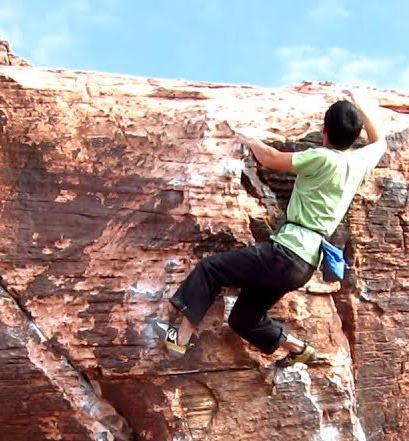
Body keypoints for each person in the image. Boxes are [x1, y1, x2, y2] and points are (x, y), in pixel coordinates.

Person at [161, 92, 387, 367]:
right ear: (354, 135)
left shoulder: (322, 158)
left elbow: (272, 159)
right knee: (244, 318)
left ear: (324, 129)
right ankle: (298, 348)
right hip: (305, 264)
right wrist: (361, 108)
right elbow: (380, 142)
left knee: (212, 269)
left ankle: (180, 337)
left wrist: (250, 139)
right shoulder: (358, 162)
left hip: (285, 253)